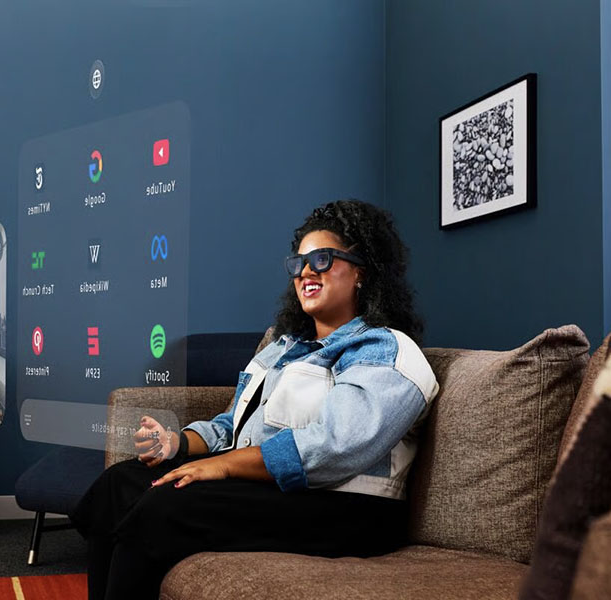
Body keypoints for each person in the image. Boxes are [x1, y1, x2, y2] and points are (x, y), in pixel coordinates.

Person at [71, 199, 440, 600]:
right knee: (118, 484)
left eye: (322, 258)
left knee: (164, 505)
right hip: (274, 490)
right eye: (299, 264)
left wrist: (224, 466)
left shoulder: (384, 349)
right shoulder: (280, 349)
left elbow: (337, 447)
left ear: (362, 272)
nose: (306, 272)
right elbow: (231, 425)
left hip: (346, 507)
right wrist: (177, 444)